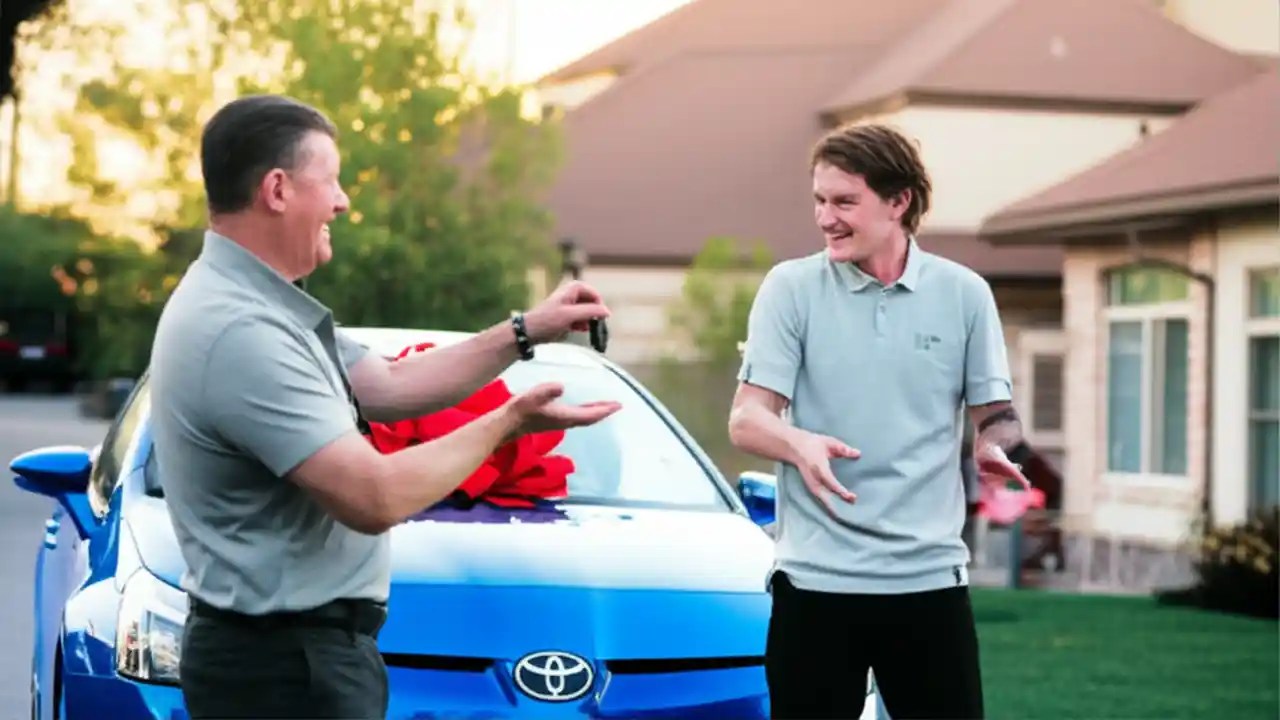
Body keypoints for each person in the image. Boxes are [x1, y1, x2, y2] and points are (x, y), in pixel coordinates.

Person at [148, 94, 620, 720]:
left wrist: (526, 331)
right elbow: (374, 498)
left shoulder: (260, 305)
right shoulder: (239, 329)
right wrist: (508, 423)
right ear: (279, 189)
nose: (343, 202)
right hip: (282, 672)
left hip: (298, 658)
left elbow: (391, 386)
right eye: (333, 181)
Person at [727, 122, 1034, 720]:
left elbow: (998, 416)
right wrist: (797, 442)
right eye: (819, 200)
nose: (826, 217)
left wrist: (994, 447)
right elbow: (746, 419)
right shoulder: (790, 289)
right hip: (815, 587)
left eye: (844, 201)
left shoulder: (965, 294)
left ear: (900, 202)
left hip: (928, 585)